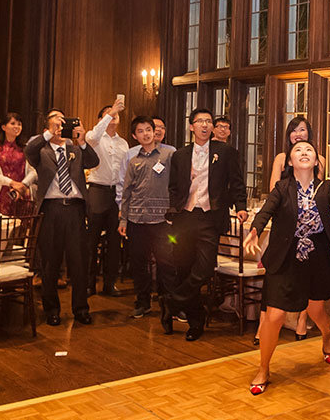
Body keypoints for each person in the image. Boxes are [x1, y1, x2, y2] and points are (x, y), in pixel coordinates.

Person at [243, 138, 330, 391]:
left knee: (315, 310)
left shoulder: (326, 187)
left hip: (317, 257)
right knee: (275, 315)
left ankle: (327, 335)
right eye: (298, 150)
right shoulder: (282, 187)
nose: (303, 152)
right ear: (290, 161)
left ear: (316, 161)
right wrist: (255, 230)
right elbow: (265, 211)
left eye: (309, 150)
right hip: (286, 258)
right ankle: (264, 368)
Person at [165, 108, 245, 341]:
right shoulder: (180, 155)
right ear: (191, 126)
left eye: (208, 122)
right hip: (184, 217)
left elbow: (236, 182)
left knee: (205, 267)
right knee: (183, 269)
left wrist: (241, 205)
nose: (205, 125)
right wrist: (173, 208)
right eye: (200, 121)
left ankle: (170, 301)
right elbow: (172, 187)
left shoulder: (226, 152)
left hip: (210, 217)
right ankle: (195, 322)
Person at [26, 110, 100, 326]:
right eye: (55, 123)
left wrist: (82, 139)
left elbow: (93, 161)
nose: (60, 127)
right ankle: (52, 310)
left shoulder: (75, 148)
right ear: (47, 128)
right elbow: (29, 150)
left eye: (63, 123)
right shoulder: (41, 150)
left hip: (75, 210)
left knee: (79, 262)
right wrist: (49, 134)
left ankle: (81, 309)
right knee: (50, 262)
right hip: (51, 210)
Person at [267, 115, 325, 340]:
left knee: (307, 277)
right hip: (284, 222)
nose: (298, 134)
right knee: (277, 274)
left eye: (302, 130)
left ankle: (302, 320)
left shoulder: (317, 158)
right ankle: (268, 323)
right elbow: (274, 188)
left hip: (309, 227)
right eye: (294, 130)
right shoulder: (282, 157)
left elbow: (320, 190)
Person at [120, 116, 172, 322]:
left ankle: (168, 303)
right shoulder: (134, 161)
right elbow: (126, 192)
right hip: (137, 219)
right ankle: (142, 303)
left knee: (166, 263)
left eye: (148, 129)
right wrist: (123, 220)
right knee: (139, 264)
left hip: (162, 220)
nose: (146, 133)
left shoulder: (169, 155)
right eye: (140, 131)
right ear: (134, 136)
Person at [84, 101, 130, 297]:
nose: (113, 118)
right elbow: (94, 134)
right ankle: (88, 283)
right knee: (91, 241)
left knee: (114, 242)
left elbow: (125, 173)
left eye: (116, 116)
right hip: (96, 191)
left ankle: (109, 283)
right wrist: (110, 112)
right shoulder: (93, 138)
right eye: (108, 115)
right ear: (101, 119)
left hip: (116, 195)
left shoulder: (123, 143)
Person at [0, 112, 34, 214]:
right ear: (3, 127)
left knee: (22, 228)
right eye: (13, 123)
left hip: (22, 194)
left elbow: (33, 171)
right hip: (0, 195)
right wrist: (11, 183)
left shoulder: (26, 148)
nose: (17, 126)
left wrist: (23, 185)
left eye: (19, 124)